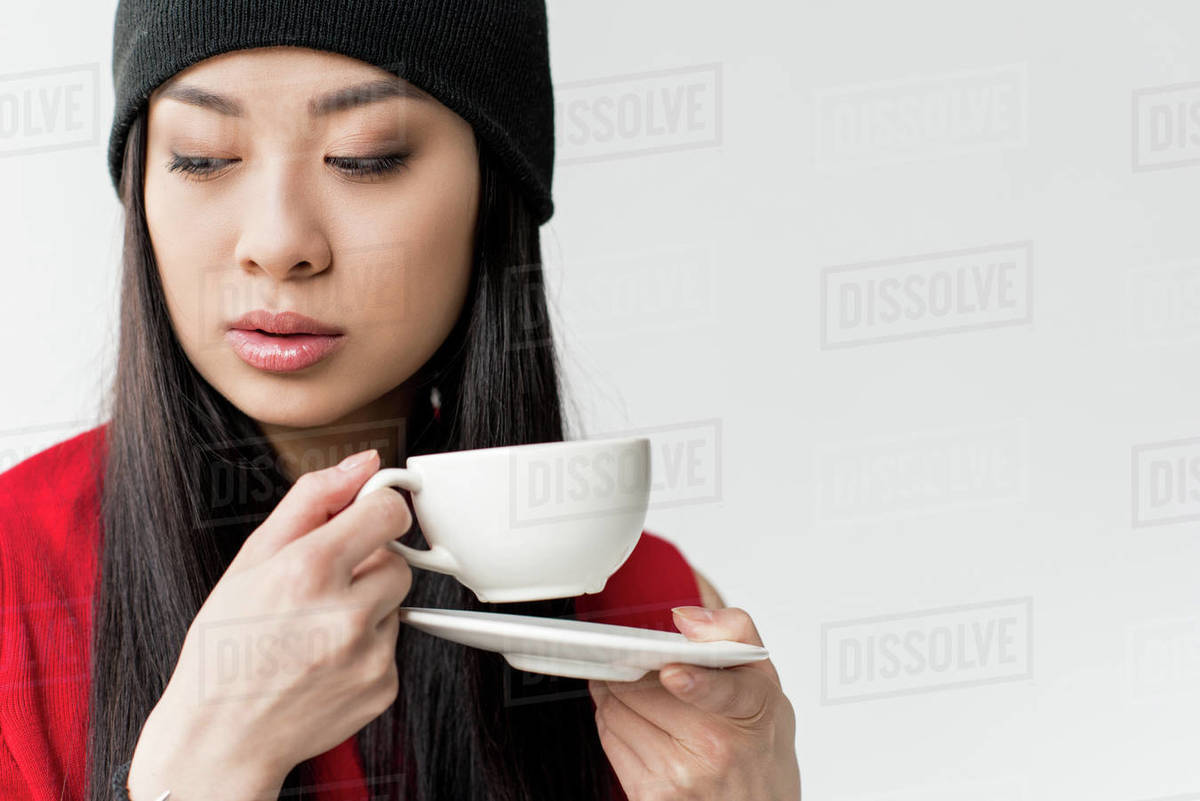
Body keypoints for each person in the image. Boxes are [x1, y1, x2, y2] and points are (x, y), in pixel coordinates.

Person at [0, 2, 801, 799]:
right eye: (202, 158)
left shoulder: (655, 630)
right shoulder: (19, 580)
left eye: (364, 157)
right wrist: (204, 769)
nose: (278, 243)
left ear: (495, 189)